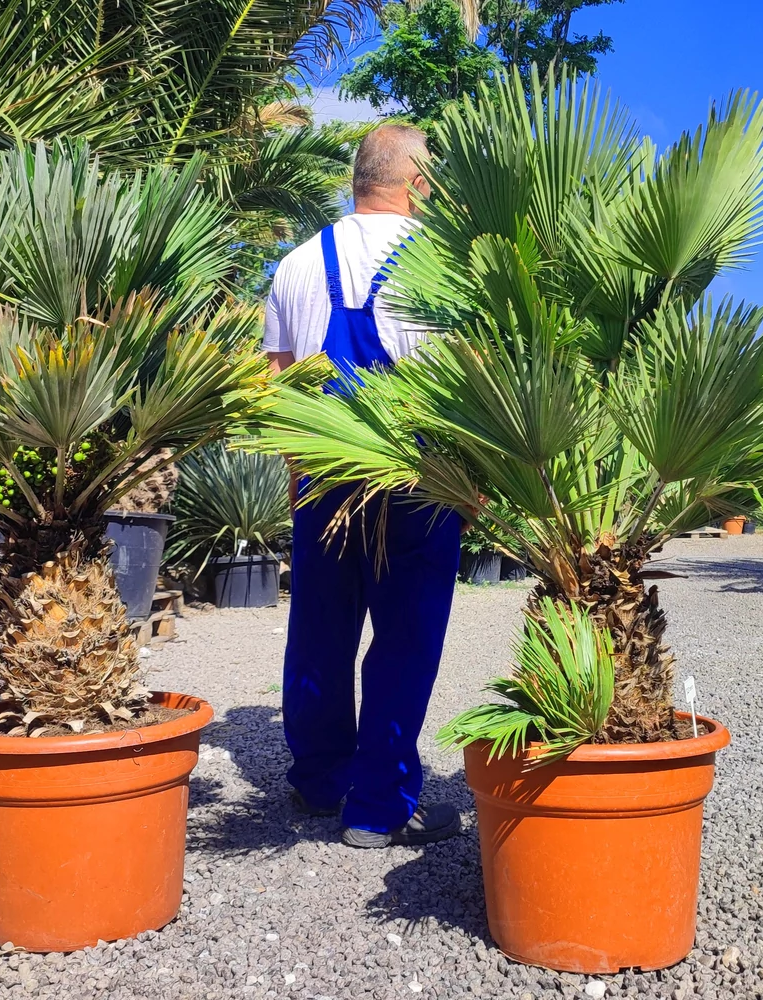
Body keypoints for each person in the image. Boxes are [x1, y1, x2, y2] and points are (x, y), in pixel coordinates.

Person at [262, 124, 464, 849]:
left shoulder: (292, 267)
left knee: (320, 631)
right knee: (406, 641)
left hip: (322, 478)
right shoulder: (439, 267)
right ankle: (378, 808)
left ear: (357, 180)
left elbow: (279, 390)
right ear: (415, 183)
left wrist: (297, 486)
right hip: (419, 481)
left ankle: (321, 781)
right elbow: (462, 387)